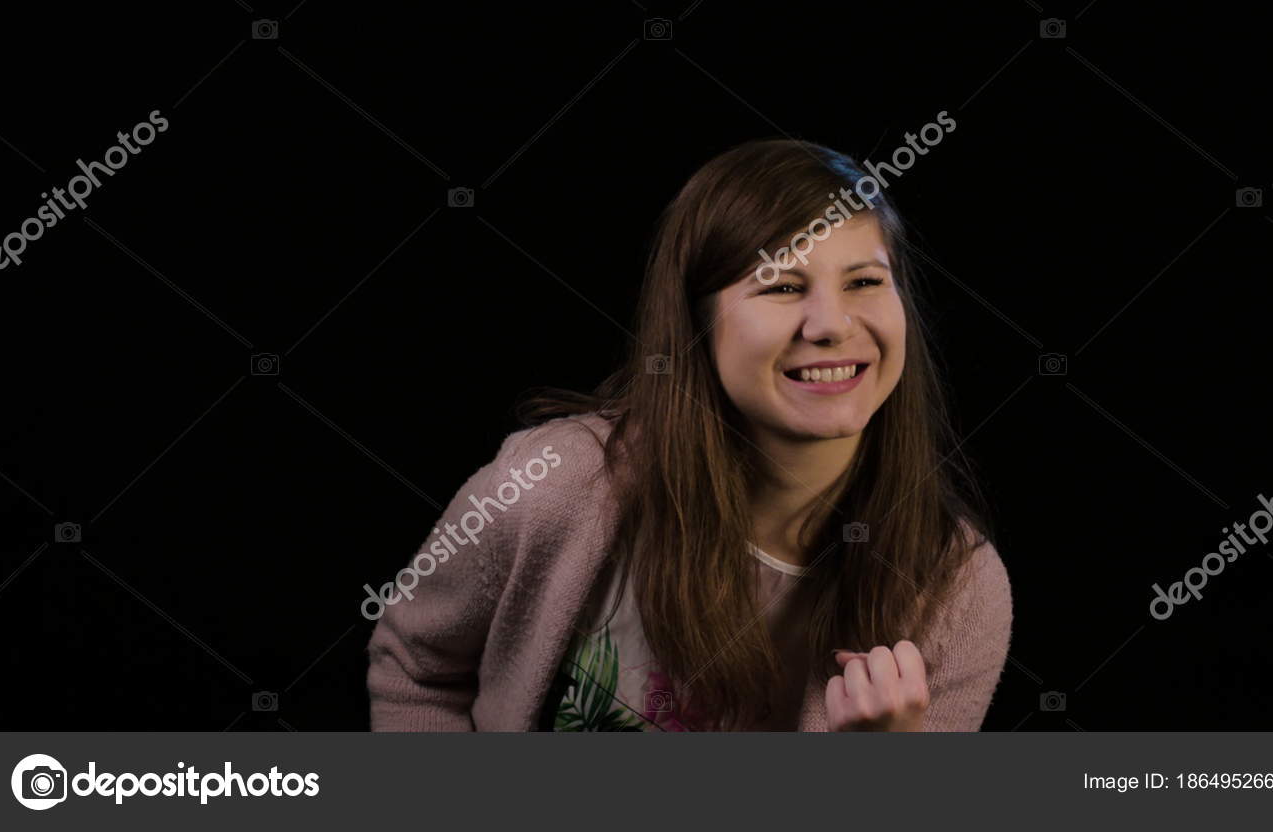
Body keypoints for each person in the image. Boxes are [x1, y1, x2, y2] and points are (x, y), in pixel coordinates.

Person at [367, 138, 1013, 731]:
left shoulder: (958, 588)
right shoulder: (553, 483)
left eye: (865, 282)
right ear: (697, 325)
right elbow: (416, 668)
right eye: (784, 286)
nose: (831, 326)